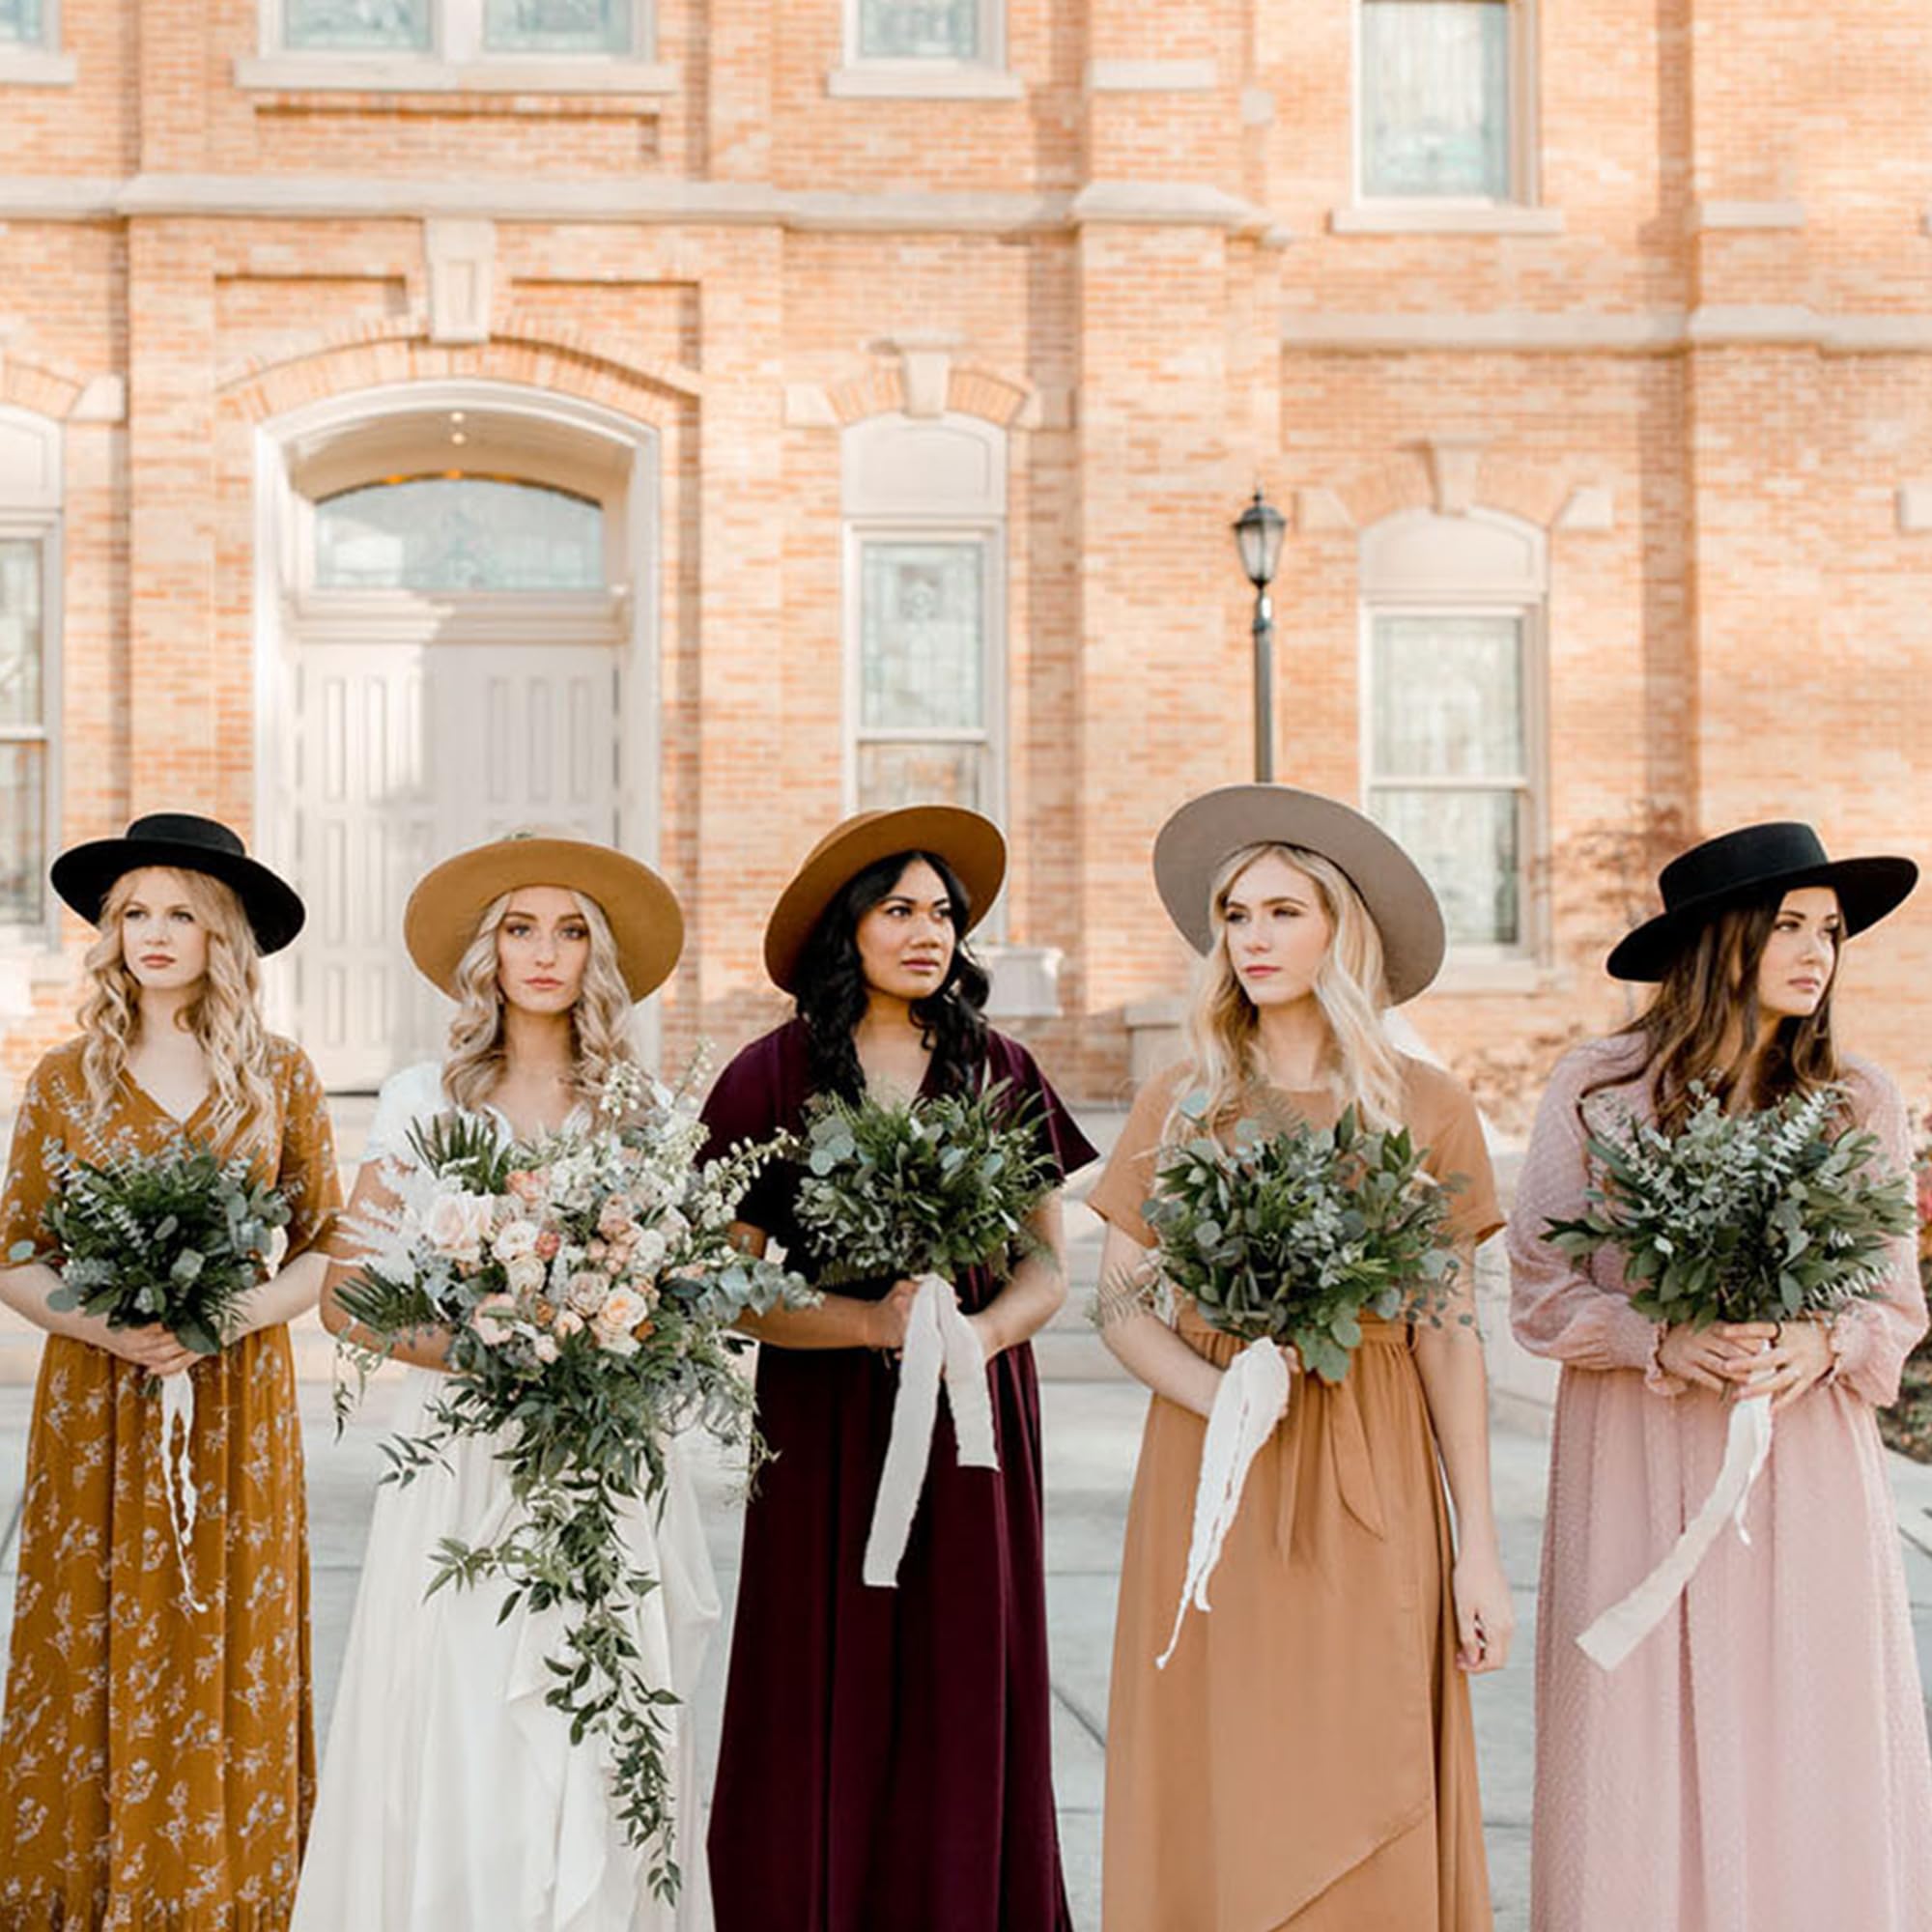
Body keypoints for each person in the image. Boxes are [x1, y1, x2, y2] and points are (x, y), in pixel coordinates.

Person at [1092, 783, 1511, 1932]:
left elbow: (1448, 1330)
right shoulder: (1181, 1101)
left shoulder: (1423, 1106)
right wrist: (1220, 1390)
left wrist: (1479, 1545)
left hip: (1368, 1461)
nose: (1254, 937)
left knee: (1359, 1744)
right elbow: (1119, 1303)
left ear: (1341, 929)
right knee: (1222, 1761)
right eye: (1236, 913)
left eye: (1284, 910)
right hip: (1210, 1463)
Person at [1509, 819, 1932, 1931]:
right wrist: (1655, 1335)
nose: (1815, 952)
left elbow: (1893, 1301)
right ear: (1716, 940)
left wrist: (1820, 1342)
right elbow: (1536, 1288)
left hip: (1801, 1466)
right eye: (1787, 924)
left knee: (1804, 1725)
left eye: (1828, 931)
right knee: (1636, 1733)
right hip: (1636, 1455)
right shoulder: (1598, 1090)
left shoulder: (1857, 1098)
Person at [295, 832, 716, 1932]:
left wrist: (604, 1340)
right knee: (464, 1703)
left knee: (599, 1709)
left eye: (571, 929)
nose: (544, 952)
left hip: (605, 1454)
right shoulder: (422, 1098)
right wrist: (495, 1352)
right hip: (465, 1452)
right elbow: (347, 1295)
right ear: (488, 953)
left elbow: (685, 1289)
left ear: (598, 955)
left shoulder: (645, 1111)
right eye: (521, 928)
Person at [697, 804, 1096, 1932]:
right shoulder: (770, 1073)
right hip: (826, 1412)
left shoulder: (999, 1066)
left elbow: (1047, 1271)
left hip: (973, 1413)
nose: (925, 931)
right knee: (819, 1665)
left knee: (965, 1666)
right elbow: (720, 1285)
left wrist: (974, 1334)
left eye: (941, 913)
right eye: (896, 908)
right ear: (847, 928)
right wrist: (865, 1323)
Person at [0, 811, 342, 1925]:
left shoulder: (279, 1076)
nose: (153, 932)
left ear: (222, 935)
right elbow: (14, 1249)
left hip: (234, 1396)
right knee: (88, 1635)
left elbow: (329, 1245)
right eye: (134, 911)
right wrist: (106, 1325)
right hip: (97, 1400)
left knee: (222, 1637)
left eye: (181, 912)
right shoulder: (64, 1078)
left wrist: (226, 1313)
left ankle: (219, 1895)